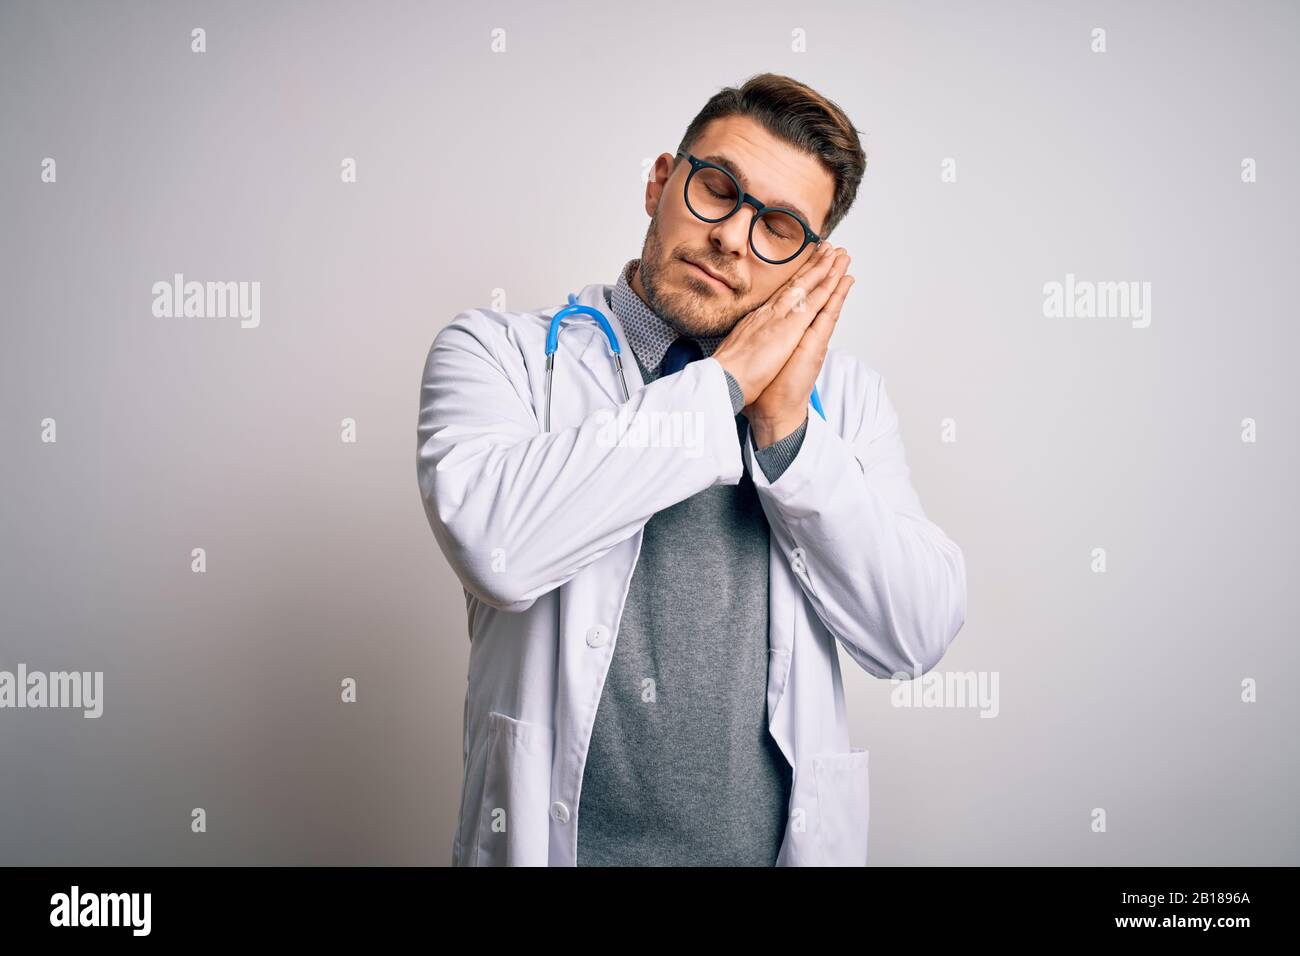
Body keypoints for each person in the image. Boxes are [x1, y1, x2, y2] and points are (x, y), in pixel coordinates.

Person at [416, 73, 967, 866]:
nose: (733, 238)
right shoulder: (496, 354)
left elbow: (913, 632)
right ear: (659, 182)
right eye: (718, 189)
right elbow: (494, 549)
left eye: (778, 227)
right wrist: (724, 387)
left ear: (809, 265)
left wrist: (786, 434)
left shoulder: (842, 403)